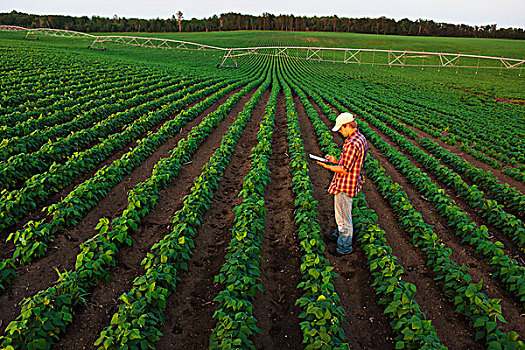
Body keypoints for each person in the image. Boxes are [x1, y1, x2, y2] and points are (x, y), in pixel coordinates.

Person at [316, 112, 368, 257]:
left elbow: (344, 169)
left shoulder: (352, 143)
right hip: (352, 180)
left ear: (347, 126)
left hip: (345, 184)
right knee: (342, 213)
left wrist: (327, 166)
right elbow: (349, 162)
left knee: (344, 218)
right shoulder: (360, 138)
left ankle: (344, 247)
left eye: (341, 128)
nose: (339, 131)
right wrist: (334, 160)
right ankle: (338, 234)